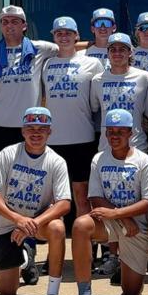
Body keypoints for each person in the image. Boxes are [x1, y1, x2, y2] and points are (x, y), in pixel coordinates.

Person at [0, 5, 59, 268]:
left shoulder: (41, 48)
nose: (9, 26)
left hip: (29, 129)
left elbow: (71, 46)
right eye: (4, 21)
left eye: (15, 21)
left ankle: (28, 248)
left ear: (24, 25)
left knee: (27, 191)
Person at [62, 109, 148, 295]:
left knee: (132, 294)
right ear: (105, 134)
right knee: (80, 225)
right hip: (112, 223)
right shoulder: (99, 159)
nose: (115, 136)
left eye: (120, 132)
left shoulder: (144, 161)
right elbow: (95, 197)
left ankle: (125, 266)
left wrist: (119, 214)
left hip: (136, 228)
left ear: (130, 133)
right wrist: (121, 217)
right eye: (110, 132)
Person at [0, 107, 72, 295]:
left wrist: (33, 222)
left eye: (42, 129)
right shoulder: (8, 154)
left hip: (39, 223)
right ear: (22, 131)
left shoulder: (56, 161)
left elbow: (65, 203)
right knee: (7, 293)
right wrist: (18, 219)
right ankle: (26, 257)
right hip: (9, 223)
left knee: (58, 227)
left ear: (50, 132)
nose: (36, 133)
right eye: (30, 128)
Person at [41, 17, 100, 216]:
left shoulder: (92, 63)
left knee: (81, 194)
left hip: (82, 137)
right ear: (53, 37)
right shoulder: (46, 64)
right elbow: (41, 98)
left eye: (68, 33)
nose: (63, 36)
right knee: (52, 195)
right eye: (59, 33)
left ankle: (84, 241)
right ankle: (53, 238)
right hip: (53, 140)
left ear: (77, 36)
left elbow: (95, 102)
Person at [91, 33, 148, 153]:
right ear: (107, 53)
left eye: (122, 49)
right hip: (106, 148)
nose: (117, 53)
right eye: (113, 50)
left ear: (130, 52)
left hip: (136, 146)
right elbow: (94, 108)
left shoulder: (143, 77)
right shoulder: (97, 80)